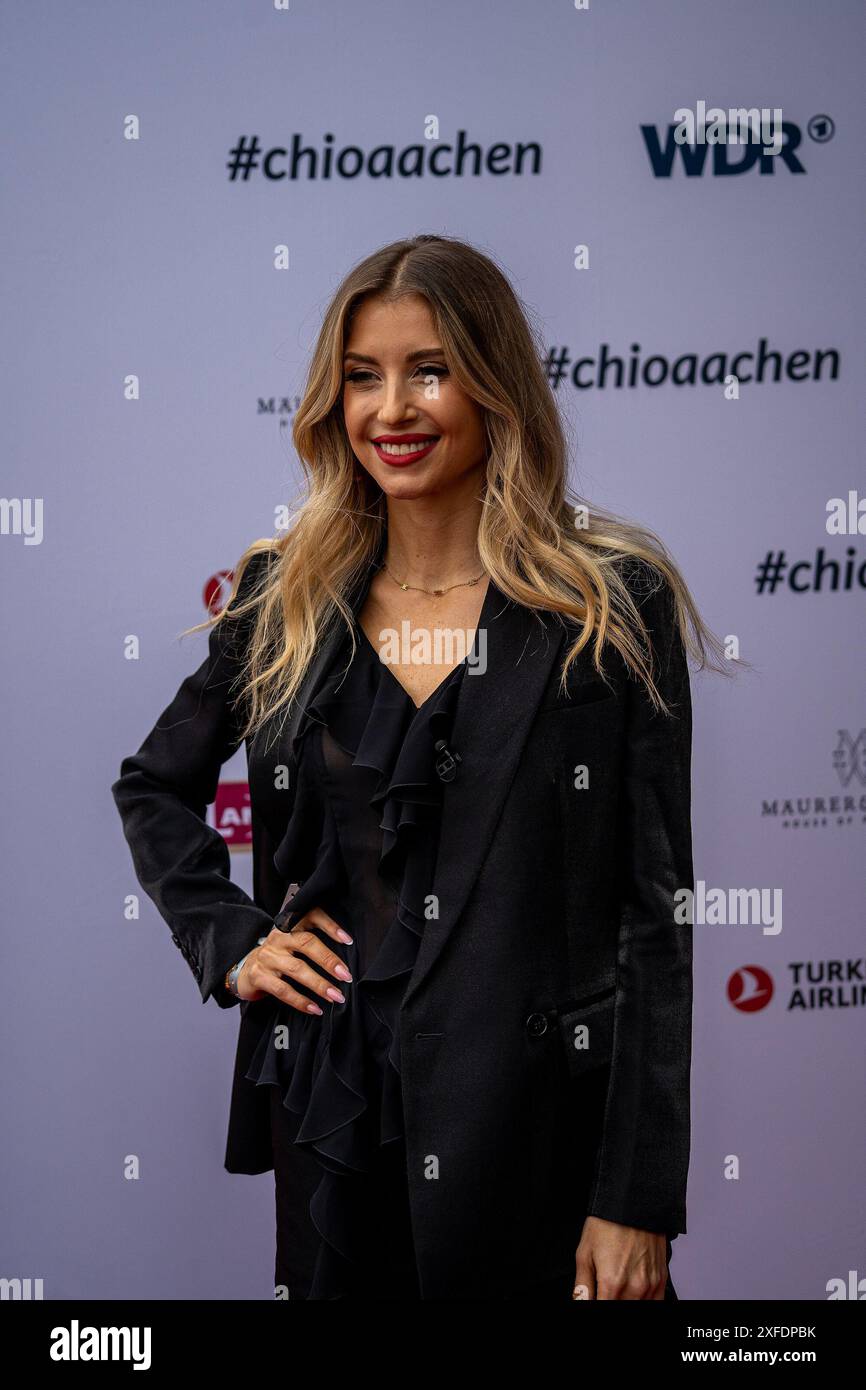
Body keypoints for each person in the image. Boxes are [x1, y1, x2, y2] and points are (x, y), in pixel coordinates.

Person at [112, 233, 732, 1301]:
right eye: (361, 377)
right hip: (343, 1119)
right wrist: (232, 941)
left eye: (429, 370)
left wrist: (633, 1196)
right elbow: (152, 784)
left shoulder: (604, 607)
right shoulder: (286, 602)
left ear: (494, 386)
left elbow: (650, 920)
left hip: (539, 1136)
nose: (390, 409)